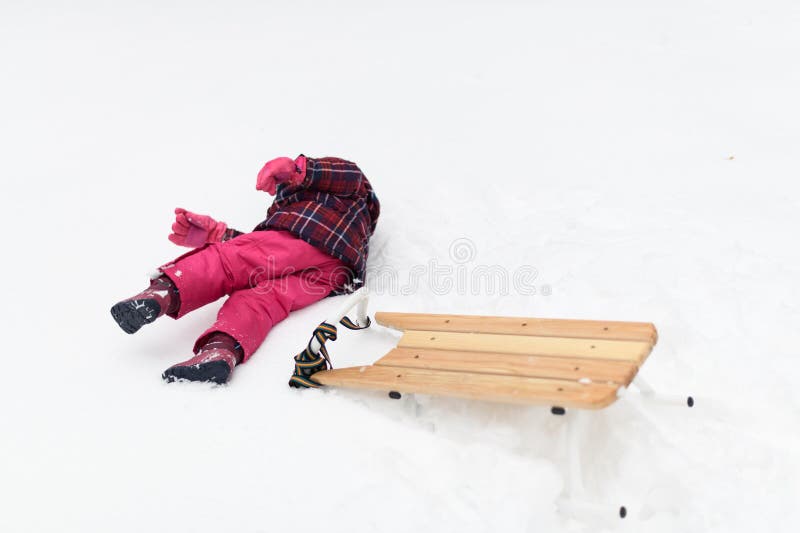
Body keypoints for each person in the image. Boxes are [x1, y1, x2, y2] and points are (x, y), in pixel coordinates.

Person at [110, 155, 380, 384]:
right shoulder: (289, 213)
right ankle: (221, 350)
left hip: (311, 243)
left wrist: (298, 169)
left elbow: (349, 175)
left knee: (230, 260)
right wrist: (216, 233)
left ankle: (162, 294)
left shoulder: (342, 192)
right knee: (259, 298)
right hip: (334, 276)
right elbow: (262, 251)